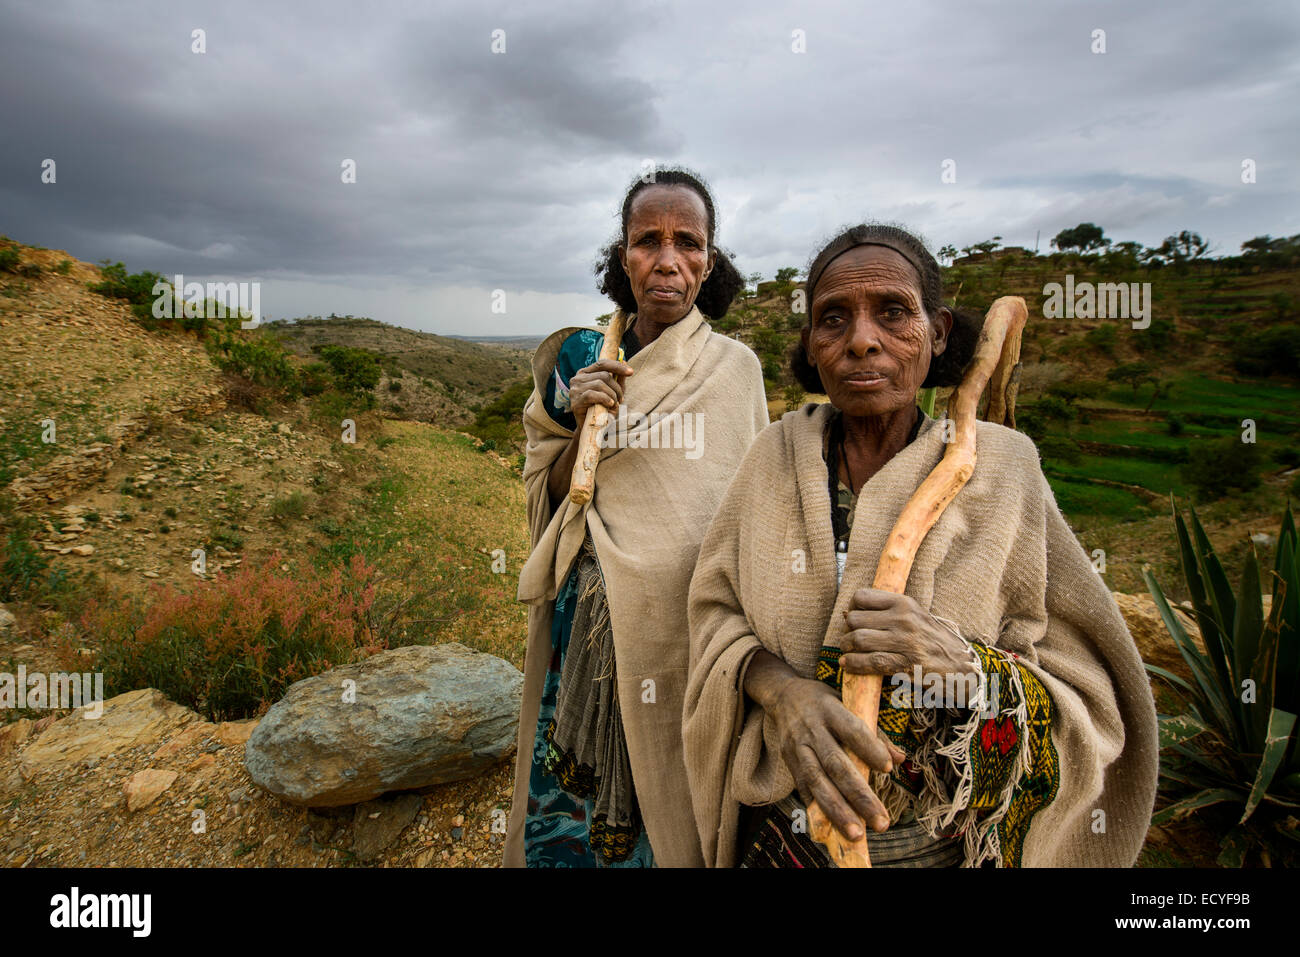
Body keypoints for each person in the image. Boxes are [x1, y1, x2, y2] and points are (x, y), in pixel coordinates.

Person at [683, 223, 1158, 867]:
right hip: (779, 834)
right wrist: (781, 692)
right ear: (811, 344)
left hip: (937, 843)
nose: (861, 341)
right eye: (833, 319)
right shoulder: (772, 457)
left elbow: (1093, 693)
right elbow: (716, 616)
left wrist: (963, 665)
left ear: (936, 334)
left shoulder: (1002, 468)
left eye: (894, 313)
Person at [503, 168, 769, 867]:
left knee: (669, 808)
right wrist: (578, 416)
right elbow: (551, 495)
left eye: (688, 241)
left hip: (681, 631)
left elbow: (747, 512)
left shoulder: (735, 369)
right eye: (648, 240)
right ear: (623, 256)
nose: (668, 259)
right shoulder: (582, 356)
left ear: (710, 261)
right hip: (581, 631)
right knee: (566, 817)